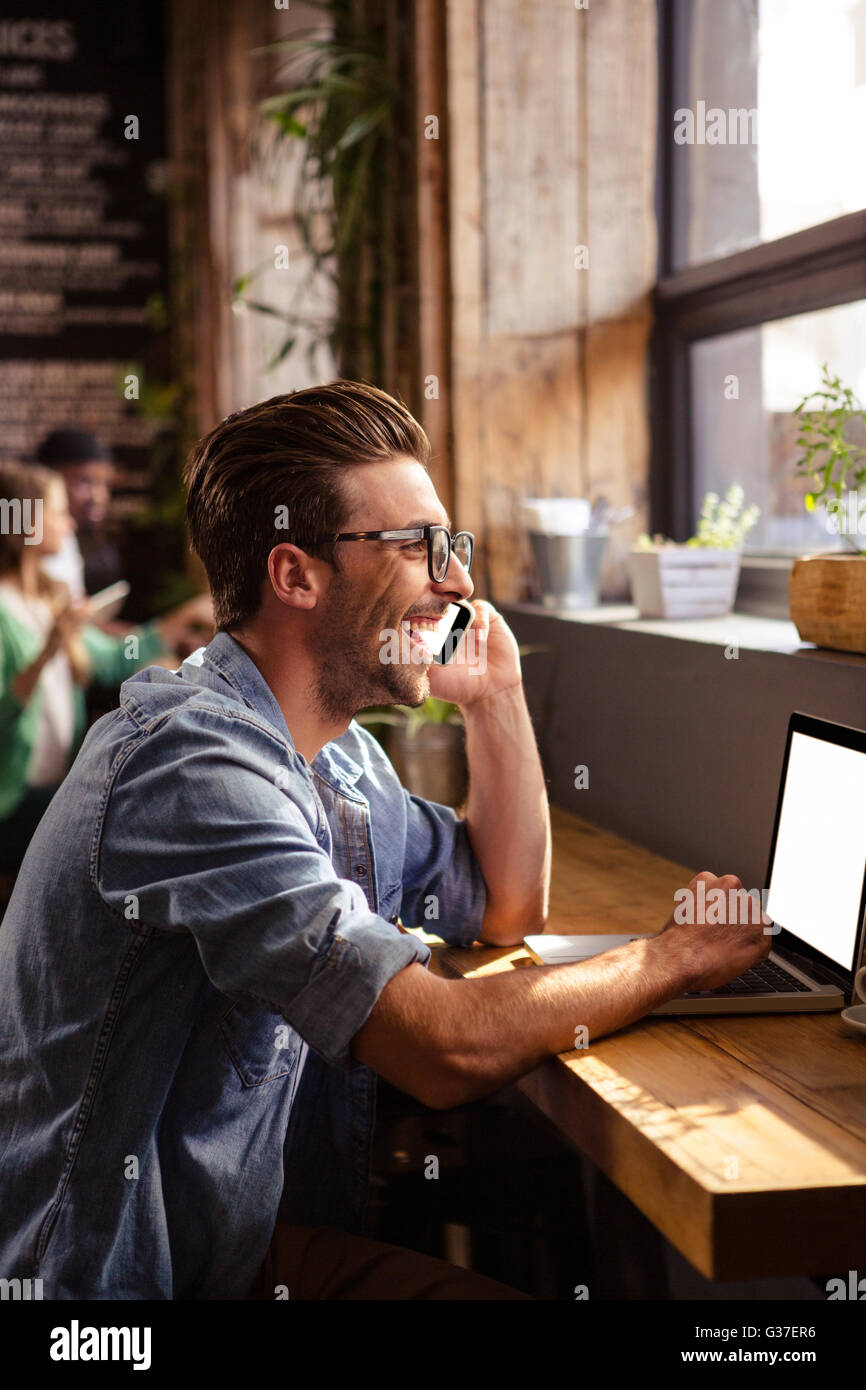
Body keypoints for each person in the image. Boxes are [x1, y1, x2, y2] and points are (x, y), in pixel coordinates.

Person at [0, 382, 770, 1300]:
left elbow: (504, 898)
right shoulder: (193, 769)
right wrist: (671, 958)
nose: (457, 581)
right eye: (419, 547)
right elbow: (441, 1051)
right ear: (296, 575)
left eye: (451, 546)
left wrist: (497, 697)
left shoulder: (337, 755)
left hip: (232, 1255)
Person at [0, 462, 211, 874]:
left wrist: (182, 618)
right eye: (57, 511)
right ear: (24, 519)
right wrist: (49, 649)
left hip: (53, 785)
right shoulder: (5, 610)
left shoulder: (48, 597)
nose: (68, 523)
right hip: (11, 801)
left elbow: (116, 659)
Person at [35, 428, 121, 599]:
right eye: (84, 482)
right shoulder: (28, 542)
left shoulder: (69, 537)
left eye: (105, 484)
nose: (98, 497)